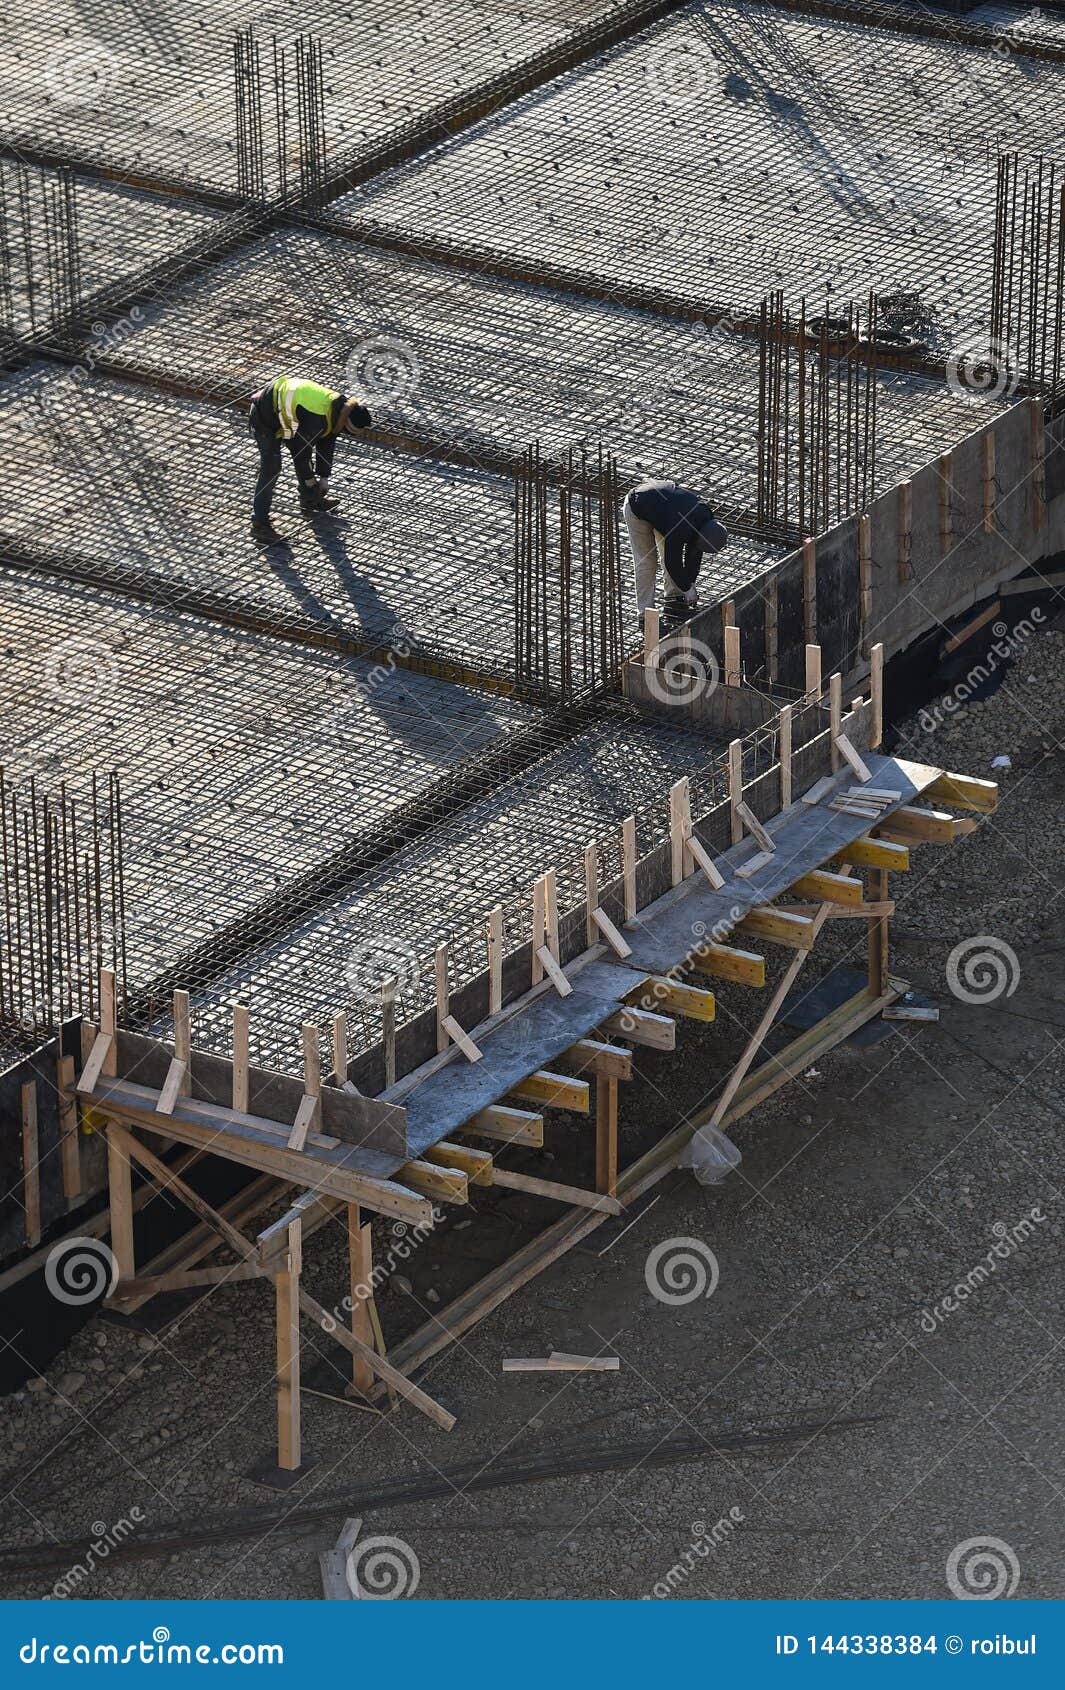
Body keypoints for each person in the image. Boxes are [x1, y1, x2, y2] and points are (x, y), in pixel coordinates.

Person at [248, 377, 373, 543]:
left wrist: (324, 477)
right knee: (271, 468)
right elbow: (301, 453)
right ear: (346, 424)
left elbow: (327, 441)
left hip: (286, 416)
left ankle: (310, 498)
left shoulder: (339, 409)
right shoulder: (318, 417)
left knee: (302, 454)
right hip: (265, 416)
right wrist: (310, 480)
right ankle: (259, 523)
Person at [622, 477, 728, 625]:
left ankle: (674, 599)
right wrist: (687, 588)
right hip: (637, 507)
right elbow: (672, 562)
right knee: (647, 563)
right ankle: (645, 615)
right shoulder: (679, 527)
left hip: (664, 511)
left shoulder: (705, 517)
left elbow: (694, 553)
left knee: (667, 552)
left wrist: (690, 583)